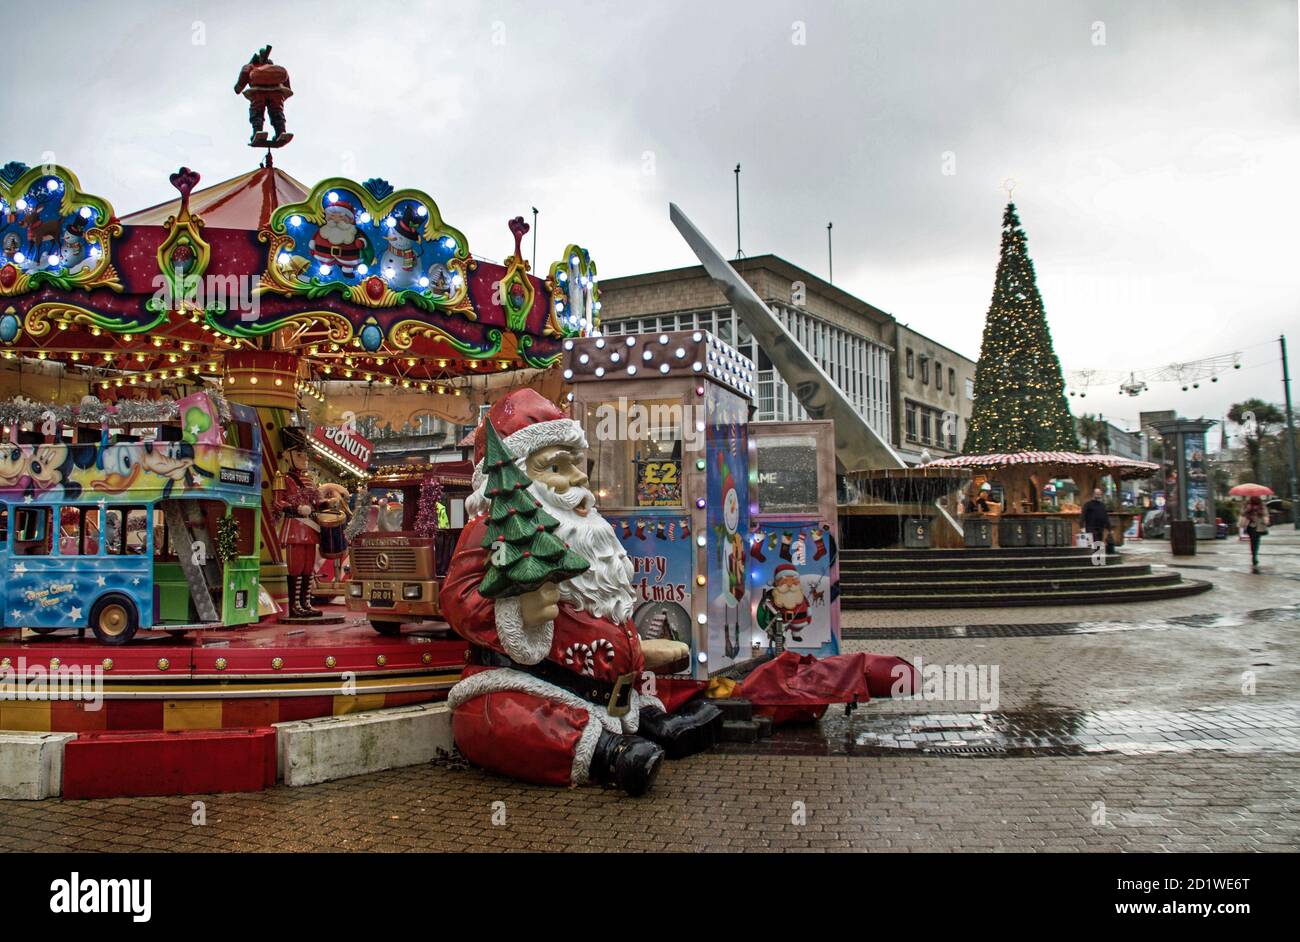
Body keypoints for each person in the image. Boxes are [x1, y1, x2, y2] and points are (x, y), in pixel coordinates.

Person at [440, 389, 721, 796]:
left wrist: (638, 651)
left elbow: (601, 614)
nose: (579, 479)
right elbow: (458, 598)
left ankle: (649, 726)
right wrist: (516, 608)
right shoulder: (490, 530)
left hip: (605, 687)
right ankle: (607, 752)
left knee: (629, 702)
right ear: (515, 477)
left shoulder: (586, 532)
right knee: (500, 719)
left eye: (578, 464)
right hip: (529, 683)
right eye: (557, 466)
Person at [1240, 496, 1269, 572]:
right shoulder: (1246, 504)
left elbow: (1265, 513)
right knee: (1253, 541)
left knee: (1257, 541)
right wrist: (1248, 509)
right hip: (1250, 525)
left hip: (1259, 525)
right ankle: (1254, 556)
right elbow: (1242, 513)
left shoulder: (1261, 504)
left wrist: (1259, 511)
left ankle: (1254, 554)